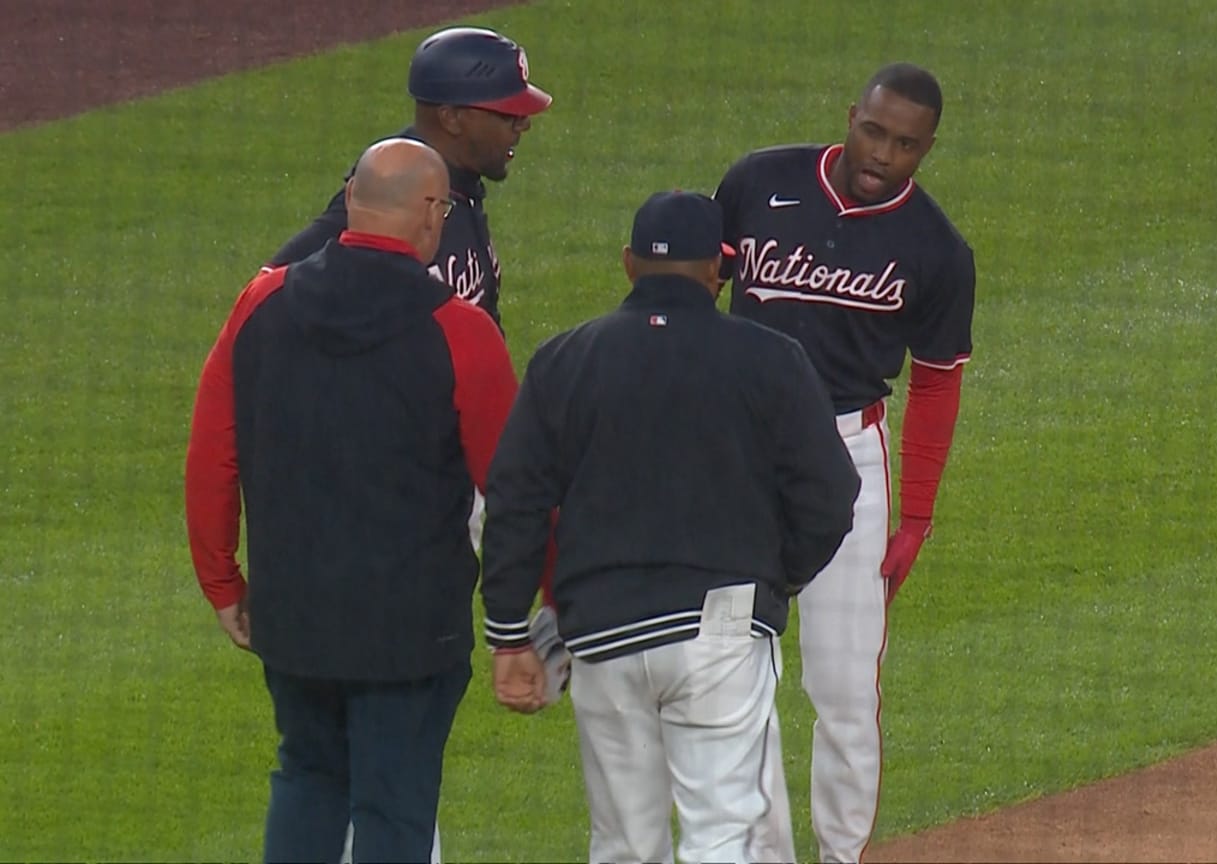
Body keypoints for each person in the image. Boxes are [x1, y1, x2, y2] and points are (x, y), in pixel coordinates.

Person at [479, 190, 861, 863]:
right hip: (720, 629)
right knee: (722, 834)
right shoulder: (770, 358)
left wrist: (509, 632)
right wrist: (779, 576)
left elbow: (515, 499)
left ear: (627, 263)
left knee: (625, 845)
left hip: (601, 632)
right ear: (720, 269)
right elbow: (831, 495)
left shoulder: (566, 360)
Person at [185, 137, 517, 862]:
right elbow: (514, 490)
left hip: (294, 614)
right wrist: (525, 617)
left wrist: (223, 580)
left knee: (306, 778)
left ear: (352, 202)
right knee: (394, 807)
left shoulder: (262, 299)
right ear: (432, 213)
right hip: (411, 628)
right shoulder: (462, 330)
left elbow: (213, 452)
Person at [712, 62, 976, 861]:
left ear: (927, 149)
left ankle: (841, 855)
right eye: (874, 130)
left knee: (845, 690)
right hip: (739, 452)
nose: (883, 154)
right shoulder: (760, 181)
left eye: (905, 144)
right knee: (730, 677)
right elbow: (688, 297)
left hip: (849, 458)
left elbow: (935, 387)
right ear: (850, 115)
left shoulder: (936, 249)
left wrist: (918, 515)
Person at [265, 25, 553, 331]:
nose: (523, 125)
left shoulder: (463, 185)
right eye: (508, 115)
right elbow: (267, 288)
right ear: (452, 118)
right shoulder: (389, 197)